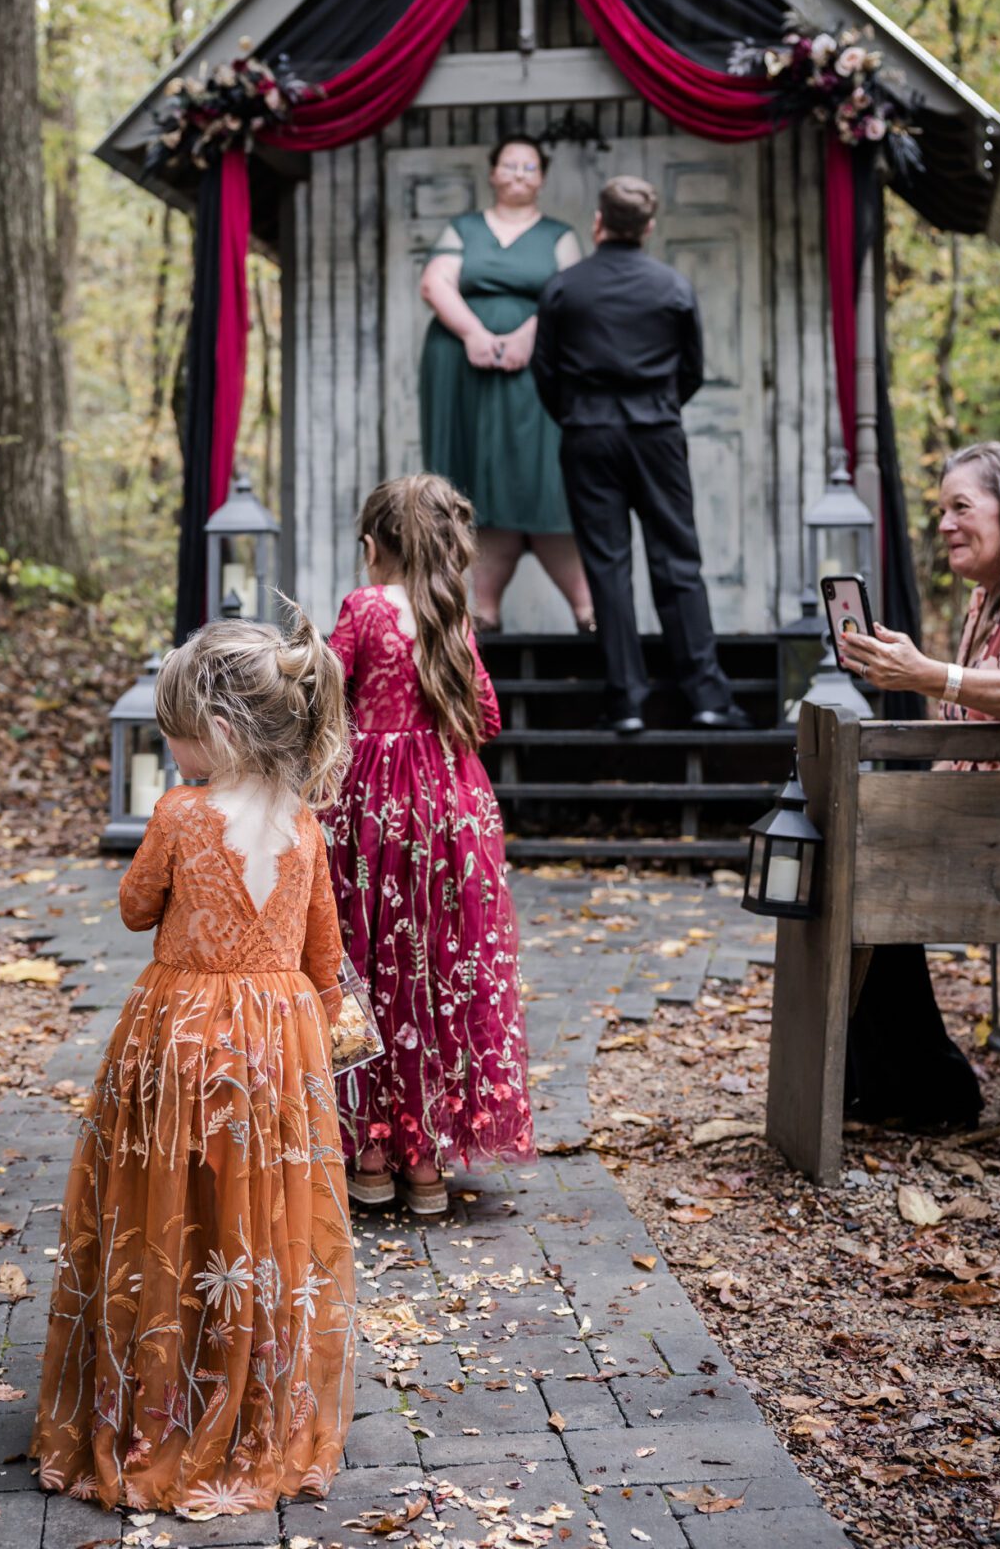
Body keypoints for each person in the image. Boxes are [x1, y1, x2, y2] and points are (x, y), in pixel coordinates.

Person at [32, 615, 357, 1515]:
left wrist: (164, 852)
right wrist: (313, 1045)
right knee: (259, 1222)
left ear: (215, 731)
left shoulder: (179, 812)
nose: (169, 749)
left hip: (178, 1039)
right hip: (278, 1047)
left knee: (168, 1211)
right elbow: (323, 963)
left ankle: (162, 1401)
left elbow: (138, 909)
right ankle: (248, 1393)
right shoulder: (306, 826)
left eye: (174, 731)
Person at [841, 441, 1000, 1127]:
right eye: (941, 510)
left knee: (865, 871)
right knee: (852, 854)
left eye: (962, 507)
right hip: (988, 826)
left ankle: (929, 1089)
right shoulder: (990, 598)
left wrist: (927, 674)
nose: (946, 524)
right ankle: (891, 1083)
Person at [323, 474, 534, 1217]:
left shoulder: (364, 608)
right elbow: (488, 720)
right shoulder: (450, 615)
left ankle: (370, 1156)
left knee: (363, 967)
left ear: (375, 546)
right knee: (439, 972)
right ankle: (427, 1164)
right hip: (453, 816)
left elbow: (321, 694)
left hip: (373, 817)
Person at [530, 176, 748, 735]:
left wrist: (580, 416)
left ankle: (626, 702)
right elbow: (693, 370)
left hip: (588, 436)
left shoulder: (563, 289)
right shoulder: (673, 286)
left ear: (598, 222)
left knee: (607, 565)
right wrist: (656, 407)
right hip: (656, 435)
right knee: (677, 559)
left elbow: (545, 373)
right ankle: (706, 697)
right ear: (648, 228)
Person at [419, 133, 594, 630]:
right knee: (475, 478)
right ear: (493, 172)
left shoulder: (558, 235)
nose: (519, 174)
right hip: (462, 368)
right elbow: (436, 282)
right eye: (510, 165)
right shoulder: (465, 228)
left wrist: (528, 338)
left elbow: (573, 296)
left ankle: (587, 606)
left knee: (542, 477)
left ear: (541, 178)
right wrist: (475, 334)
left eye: (530, 167)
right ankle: (482, 610)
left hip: (537, 369)